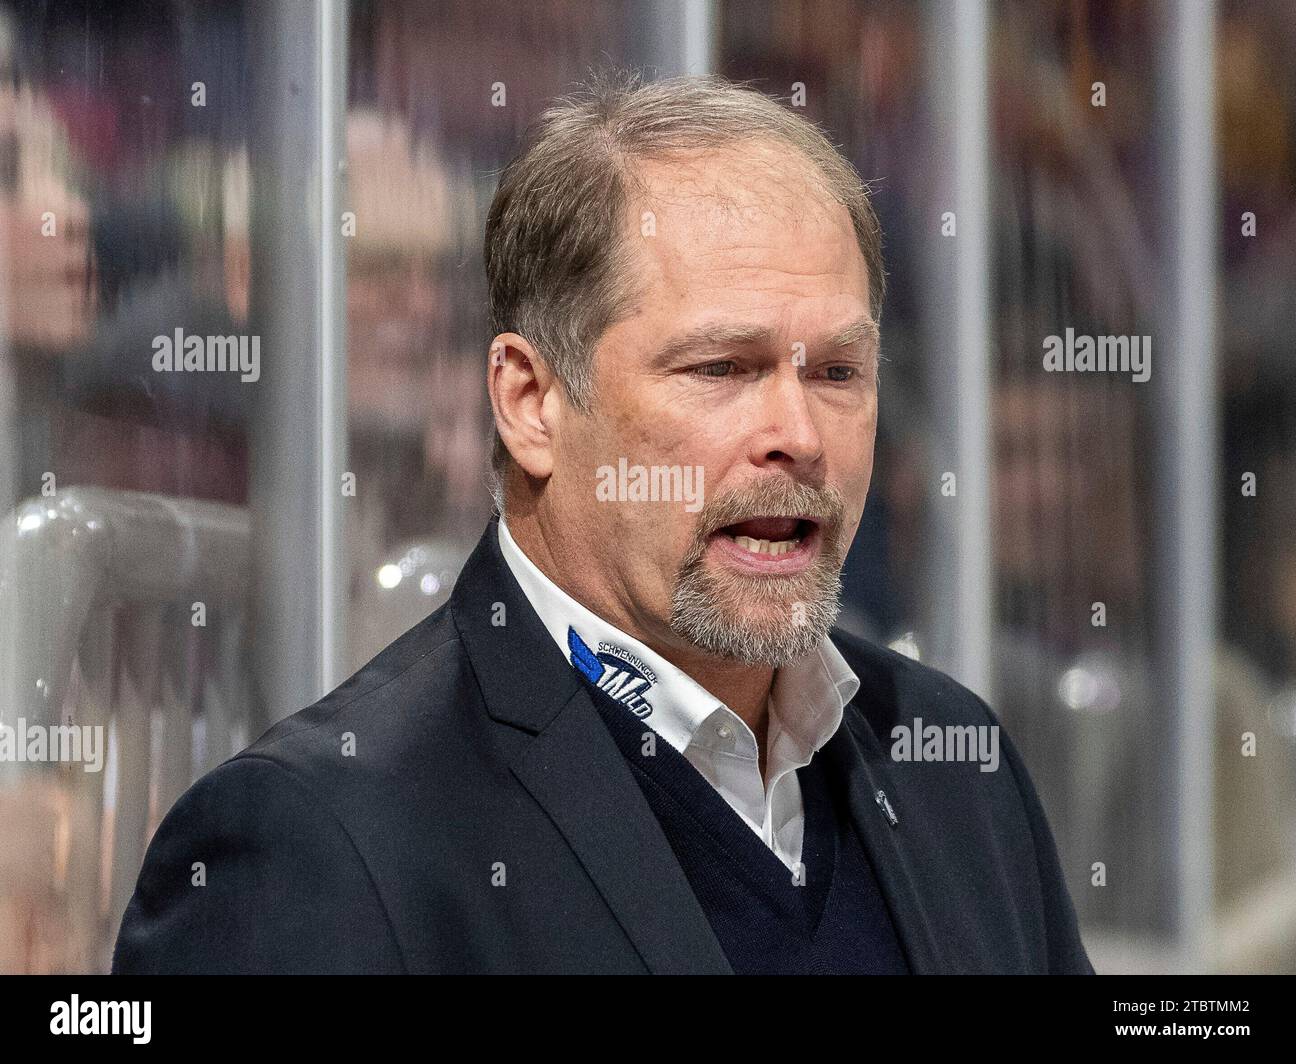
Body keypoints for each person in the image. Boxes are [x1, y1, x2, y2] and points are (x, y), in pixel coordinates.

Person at [112, 72, 1093, 975]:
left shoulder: (951, 761)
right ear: (530, 402)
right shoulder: (321, 839)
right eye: (720, 368)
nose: (798, 436)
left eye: (838, 372)